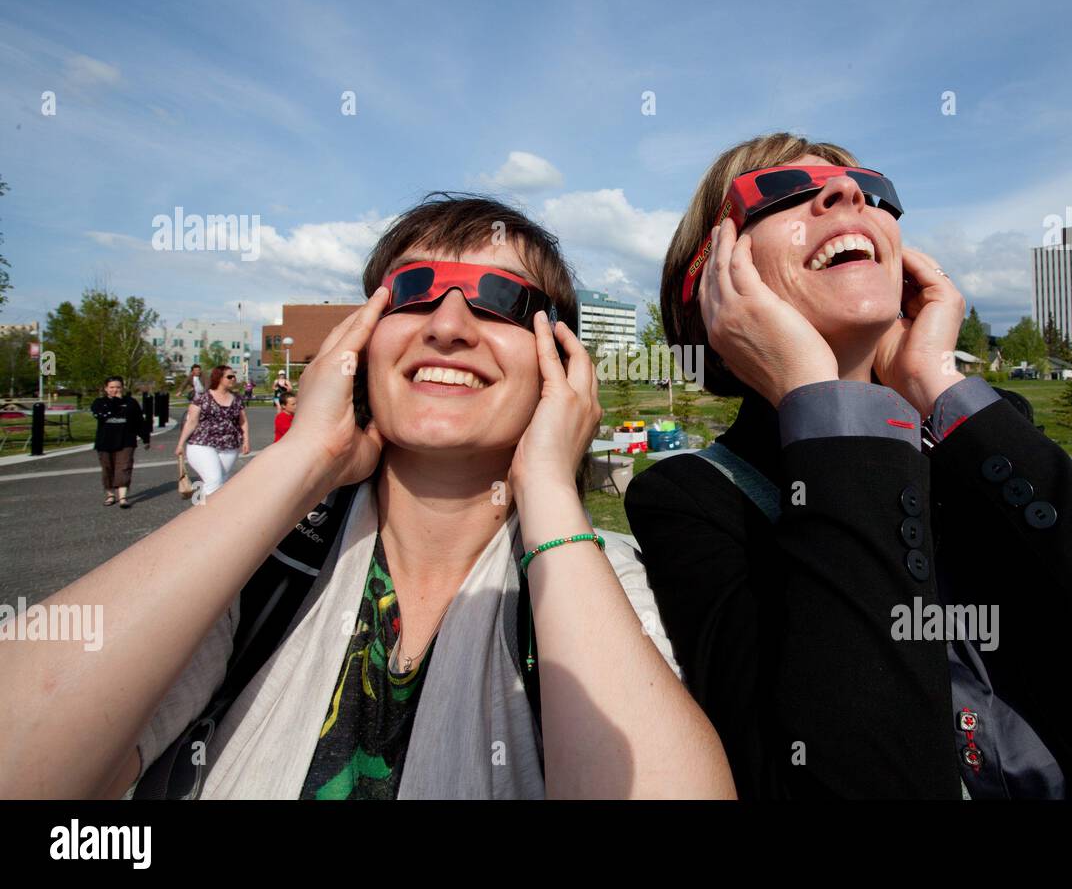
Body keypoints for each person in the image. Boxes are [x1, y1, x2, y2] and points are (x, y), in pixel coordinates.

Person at [624, 132, 1072, 800]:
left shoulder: (983, 440)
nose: (849, 192)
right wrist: (819, 399)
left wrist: (941, 388)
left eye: (874, 190)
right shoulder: (695, 498)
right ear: (707, 281)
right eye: (778, 192)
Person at [0, 194, 734, 800]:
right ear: (361, 341)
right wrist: (304, 459)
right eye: (412, 295)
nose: (448, 326)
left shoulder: (606, 581)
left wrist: (546, 484)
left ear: (560, 363)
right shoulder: (265, 572)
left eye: (502, 301)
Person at [174, 365, 249, 500]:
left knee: (220, 481)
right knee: (214, 480)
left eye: (234, 376)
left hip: (229, 445)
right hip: (202, 443)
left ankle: (200, 509)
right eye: (229, 376)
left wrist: (246, 440)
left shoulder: (237, 399)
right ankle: (206, 514)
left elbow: (243, 421)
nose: (233, 379)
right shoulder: (203, 398)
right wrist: (180, 444)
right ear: (219, 378)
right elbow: (191, 421)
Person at [90, 376, 150, 509]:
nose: (115, 390)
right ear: (106, 389)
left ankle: (122, 497)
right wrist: (116, 401)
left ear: (122, 388)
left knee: (124, 467)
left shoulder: (131, 402)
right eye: (111, 387)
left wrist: (145, 438)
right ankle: (110, 494)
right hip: (105, 441)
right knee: (107, 468)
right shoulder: (99, 402)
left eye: (118, 387)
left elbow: (139, 421)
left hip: (126, 440)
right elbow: (101, 415)